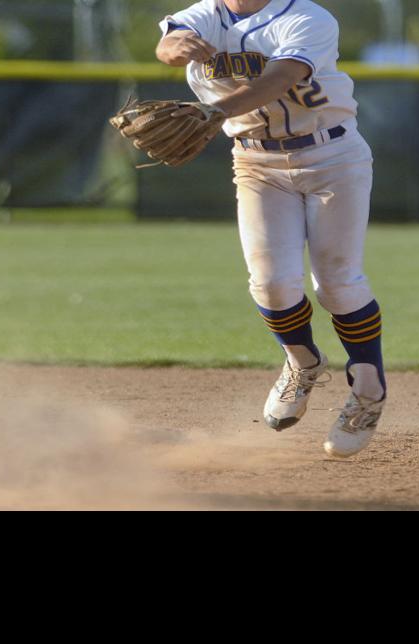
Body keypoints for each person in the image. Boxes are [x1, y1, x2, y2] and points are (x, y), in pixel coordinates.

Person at [155, 0, 387, 458]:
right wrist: (172, 46)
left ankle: (368, 387)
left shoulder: (308, 17)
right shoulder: (207, 14)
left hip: (332, 156)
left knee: (337, 284)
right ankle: (302, 362)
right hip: (256, 161)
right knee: (271, 283)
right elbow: (168, 42)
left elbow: (281, 78)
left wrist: (216, 112)